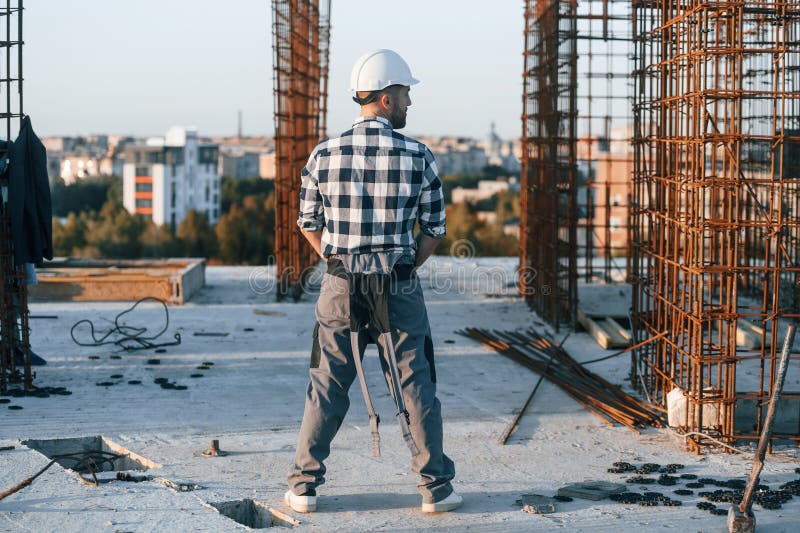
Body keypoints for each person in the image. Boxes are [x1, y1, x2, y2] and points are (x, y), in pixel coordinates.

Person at [285, 49, 461, 514]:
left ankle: (303, 487)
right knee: (414, 383)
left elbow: (307, 221)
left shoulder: (323, 154)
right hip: (398, 284)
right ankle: (436, 490)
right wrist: (405, 269)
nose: (409, 103)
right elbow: (435, 230)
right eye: (405, 94)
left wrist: (337, 262)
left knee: (327, 383)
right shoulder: (418, 155)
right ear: (386, 98)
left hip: (341, 284)